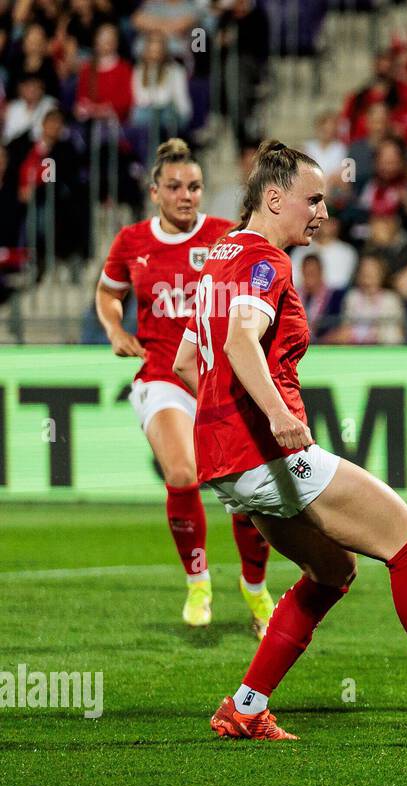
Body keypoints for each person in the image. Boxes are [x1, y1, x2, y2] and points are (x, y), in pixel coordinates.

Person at [173, 141, 407, 742]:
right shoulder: (267, 261)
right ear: (274, 199)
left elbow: (191, 361)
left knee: (332, 571)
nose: (322, 212)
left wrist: (228, 424)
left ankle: (243, 708)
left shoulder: (219, 259)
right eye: (312, 199)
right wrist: (274, 416)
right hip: (270, 452)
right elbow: (242, 344)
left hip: (226, 462)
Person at [95, 138, 274, 637]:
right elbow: (108, 294)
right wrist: (114, 329)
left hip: (219, 381)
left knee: (250, 495)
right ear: (155, 192)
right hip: (162, 376)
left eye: (194, 186)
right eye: (174, 187)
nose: (186, 195)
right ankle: (198, 581)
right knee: (181, 473)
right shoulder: (132, 241)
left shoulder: (224, 236)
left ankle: (255, 589)